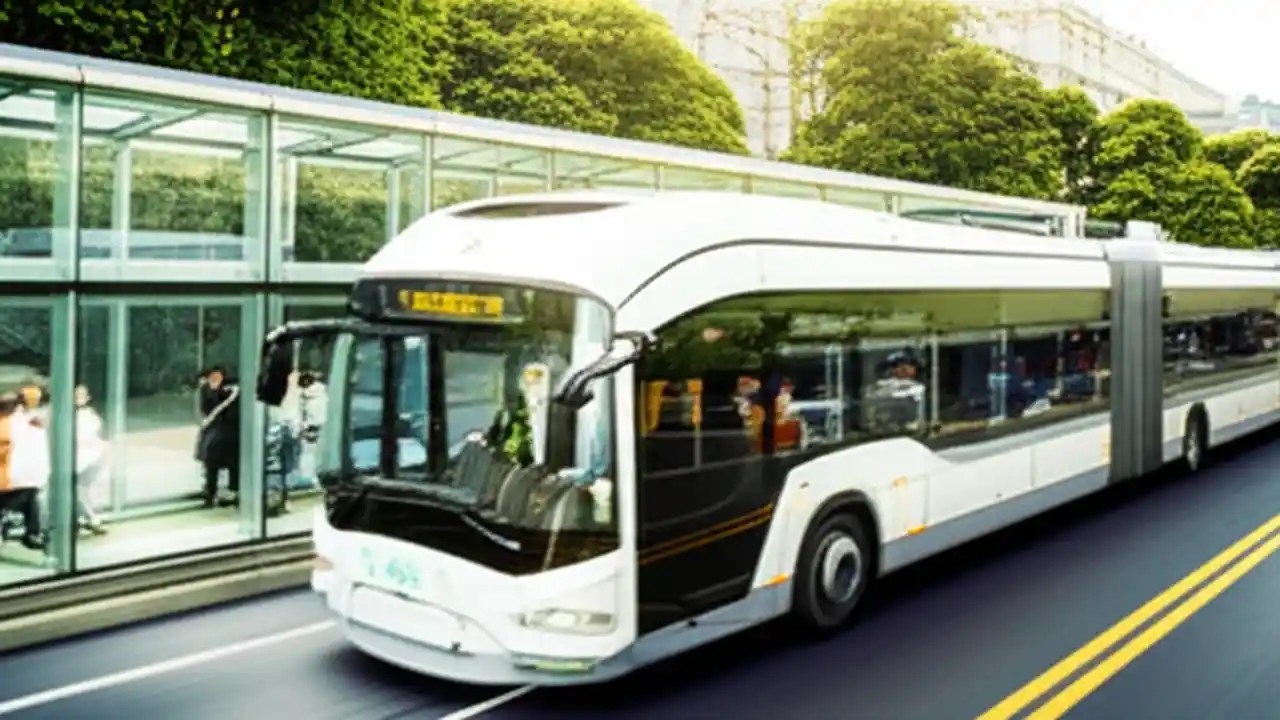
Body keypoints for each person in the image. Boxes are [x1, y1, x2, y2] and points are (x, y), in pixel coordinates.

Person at [196, 367, 241, 508]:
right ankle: (211, 491)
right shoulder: (206, 391)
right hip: (215, 431)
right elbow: (205, 409)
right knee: (211, 463)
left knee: (232, 464)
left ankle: (230, 490)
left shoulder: (231, 391)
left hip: (229, 431)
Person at [74, 385, 109, 534]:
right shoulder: (79, 415)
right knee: (80, 490)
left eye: (81, 395)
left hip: (89, 458)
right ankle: (85, 518)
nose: (78, 398)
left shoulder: (88, 415)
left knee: (80, 489)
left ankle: (90, 518)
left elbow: (90, 436)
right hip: (84, 457)